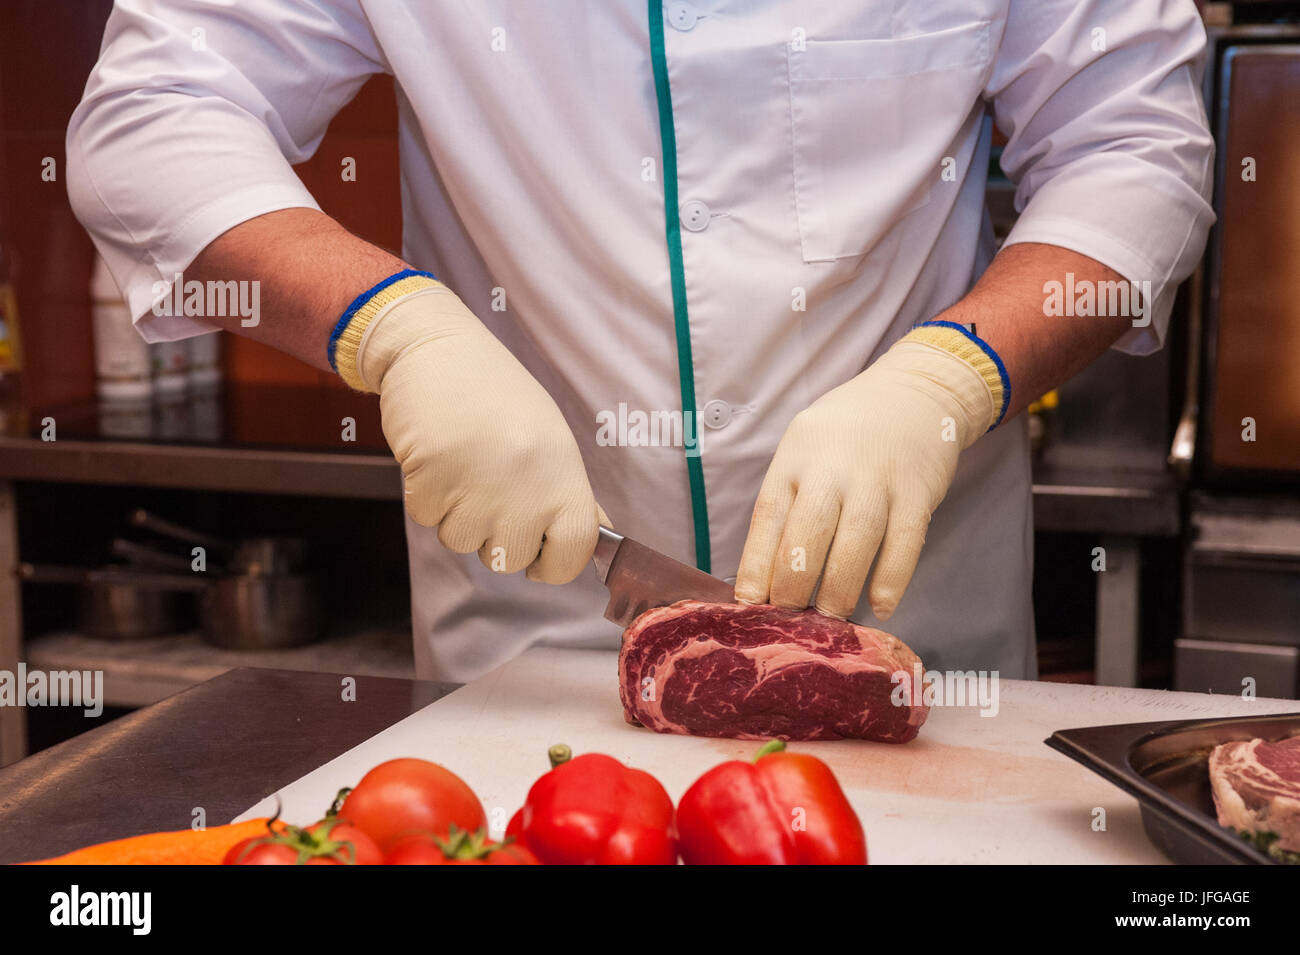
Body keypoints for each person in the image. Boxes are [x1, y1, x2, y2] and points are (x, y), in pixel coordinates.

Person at [68, 1, 1214, 682]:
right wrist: (393, 325)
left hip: (905, 637)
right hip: (532, 648)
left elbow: (1135, 146)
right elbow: (154, 117)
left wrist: (951, 375)